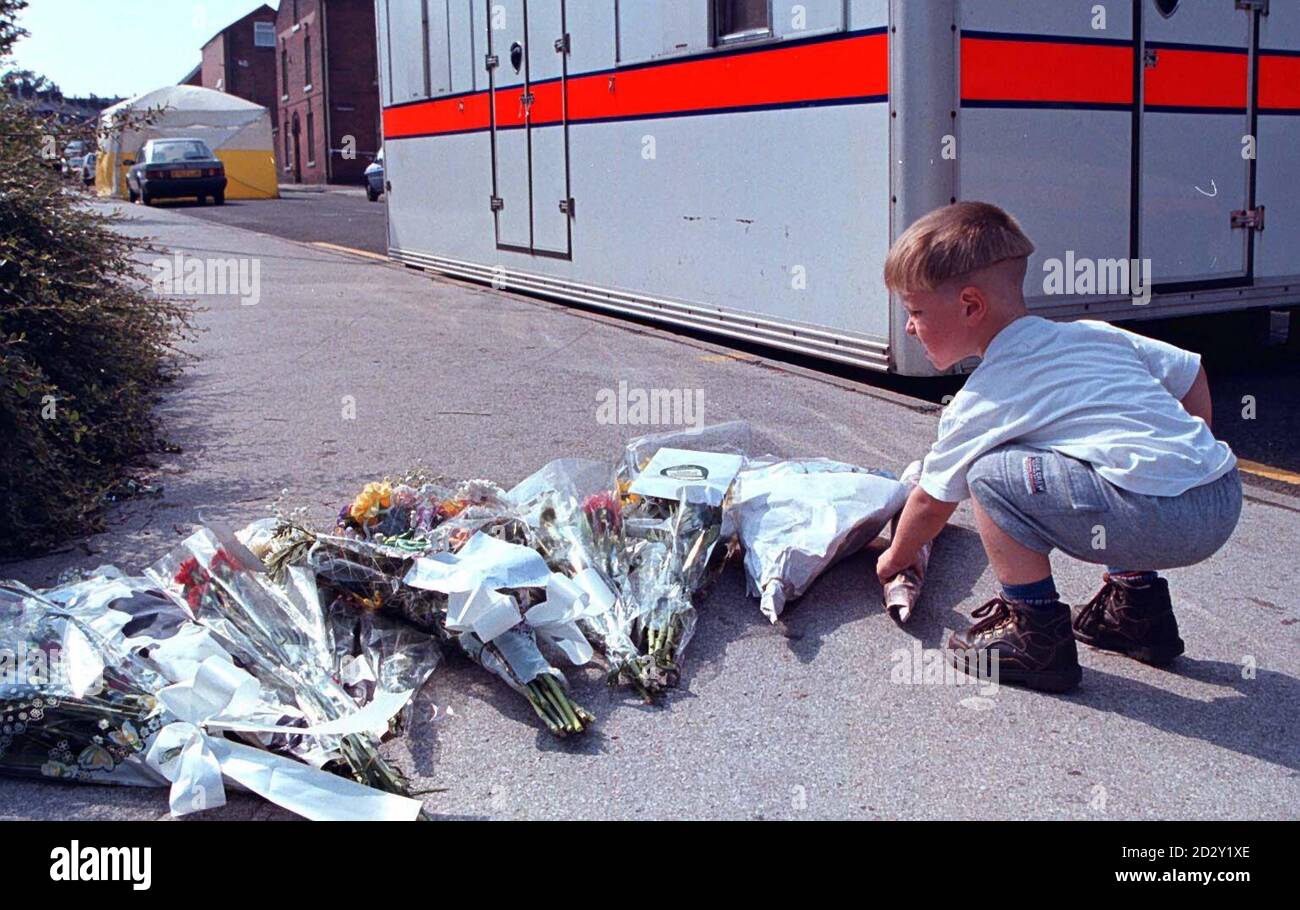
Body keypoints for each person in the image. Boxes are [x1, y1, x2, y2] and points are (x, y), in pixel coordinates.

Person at [874, 202, 1242, 693]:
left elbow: (931, 499)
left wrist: (895, 558)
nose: (909, 327)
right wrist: (1182, 466)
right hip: (1220, 494)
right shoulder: (1092, 334)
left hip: (1156, 517)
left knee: (987, 473)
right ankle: (1136, 608)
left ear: (970, 305)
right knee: (1103, 453)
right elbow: (1190, 372)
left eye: (916, 311)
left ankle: (1034, 630)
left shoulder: (984, 396)